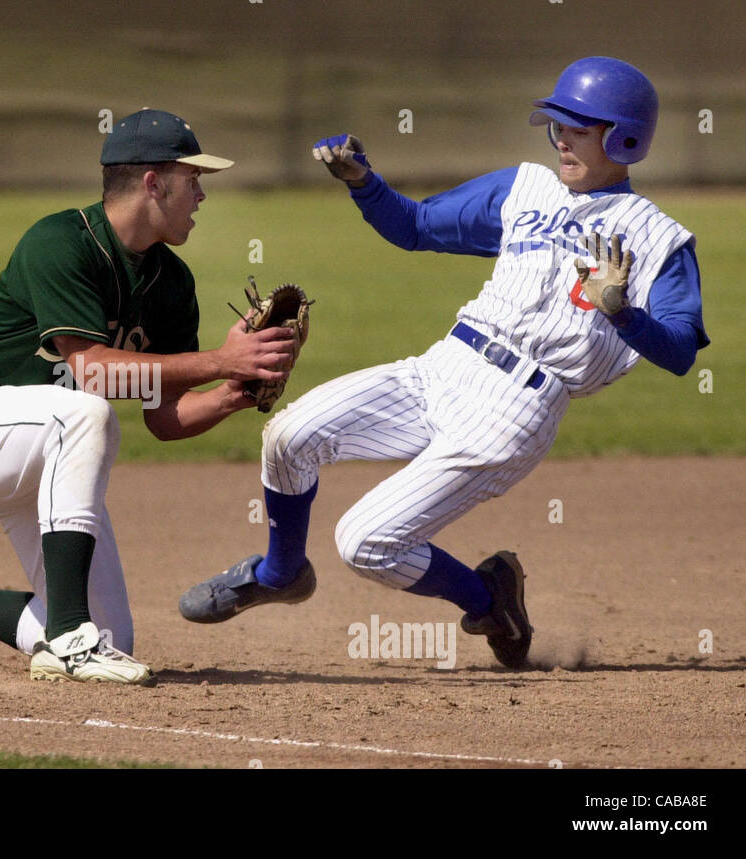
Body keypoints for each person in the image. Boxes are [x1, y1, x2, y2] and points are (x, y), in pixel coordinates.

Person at [178, 57, 708, 669]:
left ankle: (490, 598)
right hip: (444, 365)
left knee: (365, 543)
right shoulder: (525, 188)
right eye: (556, 124)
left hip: (518, 407)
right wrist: (362, 182)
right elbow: (416, 226)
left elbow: (679, 350)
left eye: (578, 128)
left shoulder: (658, 239)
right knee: (289, 436)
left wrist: (622, 314)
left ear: (625, 138)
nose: (561, 138)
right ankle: (279, 572)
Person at [0, 109, 299, 685]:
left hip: (44, 448)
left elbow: (165, 417)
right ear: (153, 182)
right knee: (88, 410)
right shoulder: (60, 241)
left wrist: (232, 391)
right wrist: (218, 359)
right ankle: (68, 639)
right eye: (193, 179)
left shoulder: (174, 284)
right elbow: (94, 371)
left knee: (115, 638)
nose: (203, 194)